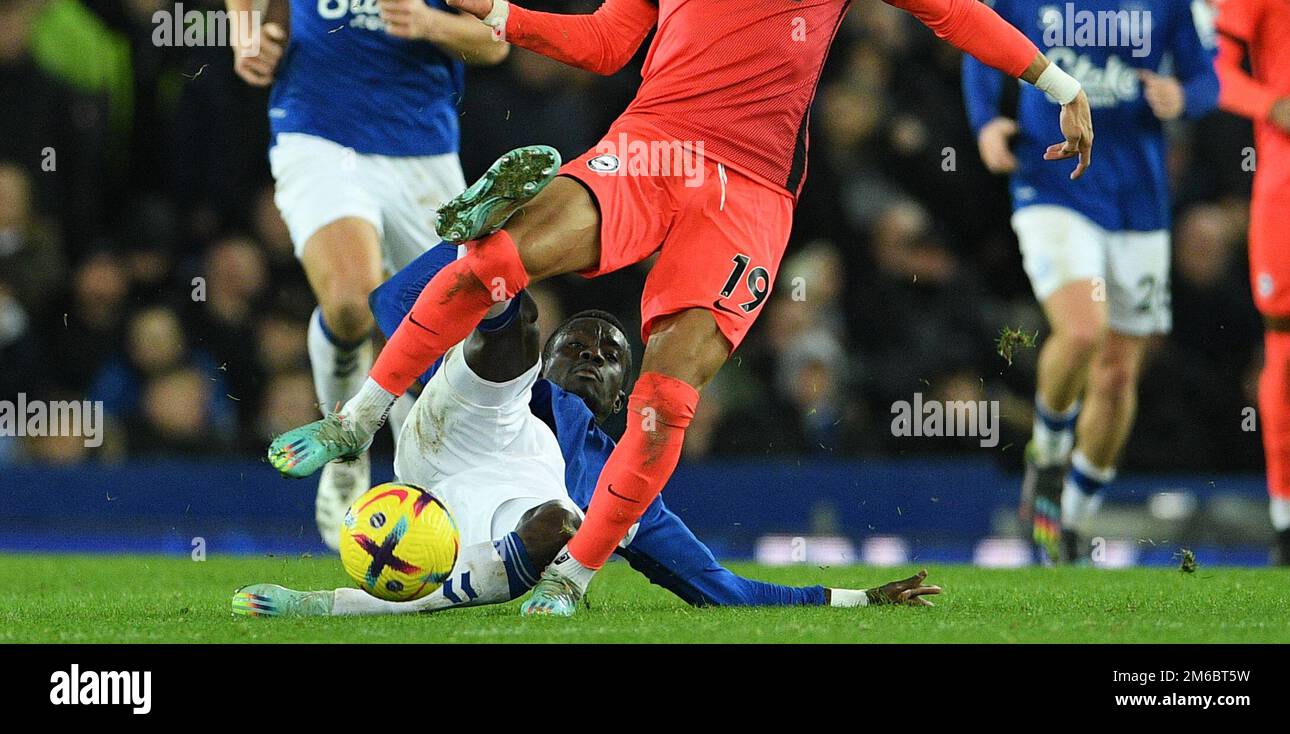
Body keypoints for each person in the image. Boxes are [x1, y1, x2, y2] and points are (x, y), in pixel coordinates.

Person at [270, 0, 1092, 616]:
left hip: (750, 193)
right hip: (652, 147)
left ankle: (571, 577)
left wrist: (1057, 80)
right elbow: (609, 40)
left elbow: (951, 9)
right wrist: (502, 15)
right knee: (495, 260)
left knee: (663, 397)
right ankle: (356, 419)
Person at [234, 241, 940, 615]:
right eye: (577, 346)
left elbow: (720, 589)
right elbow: (394, 302)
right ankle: (489, 256)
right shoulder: (531, 385)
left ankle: (337, 607)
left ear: (622, 393)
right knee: (503, 321)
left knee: (559, 526)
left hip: (486, 528)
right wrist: (459, 248)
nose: (590, 357)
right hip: (460, 430)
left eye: (609, 355)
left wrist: (855, 598)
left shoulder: (623, 483)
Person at [222, 0, 509, 547]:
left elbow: (493, 36)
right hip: (317, 127)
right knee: (351, 302)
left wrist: (427, 21)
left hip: (423, 143)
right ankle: (349, 447)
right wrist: (248, 33)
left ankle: (461, 488)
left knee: (465, 336)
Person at [963, 0, 1219, 565]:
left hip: (1139, 198)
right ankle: (1047, 445)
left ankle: (1068, 518)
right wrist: (986, 126)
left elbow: (1208, 76)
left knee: (1118, 370)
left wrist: (1184, 96)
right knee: (1079, 331)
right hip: (1050, 184)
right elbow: (981, 52)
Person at [1212, 0, 1290, 565]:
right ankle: (1287, 520)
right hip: (1287, 184)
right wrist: (1271, 104)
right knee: (1286, 348)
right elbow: (1219, 68)